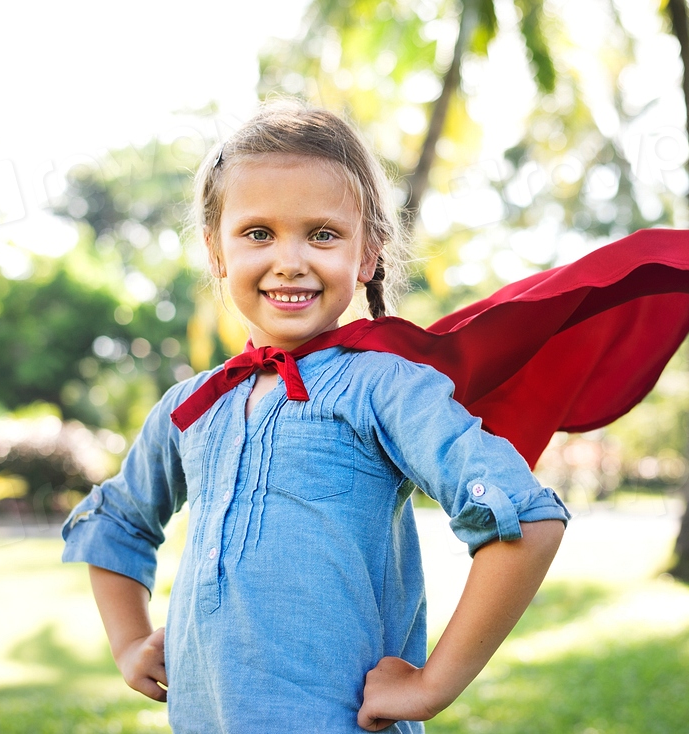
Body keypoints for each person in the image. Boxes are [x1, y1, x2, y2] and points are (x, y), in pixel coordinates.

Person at [61, 100, 571, 733]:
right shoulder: (192, 407)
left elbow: (526, 520)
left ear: (367, 255)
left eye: (323, 234)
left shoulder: (386, 388)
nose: (290, 260)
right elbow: (117, 520)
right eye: (257, 234)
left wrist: (432, 685)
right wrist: (128, 641)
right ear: (216, 252)